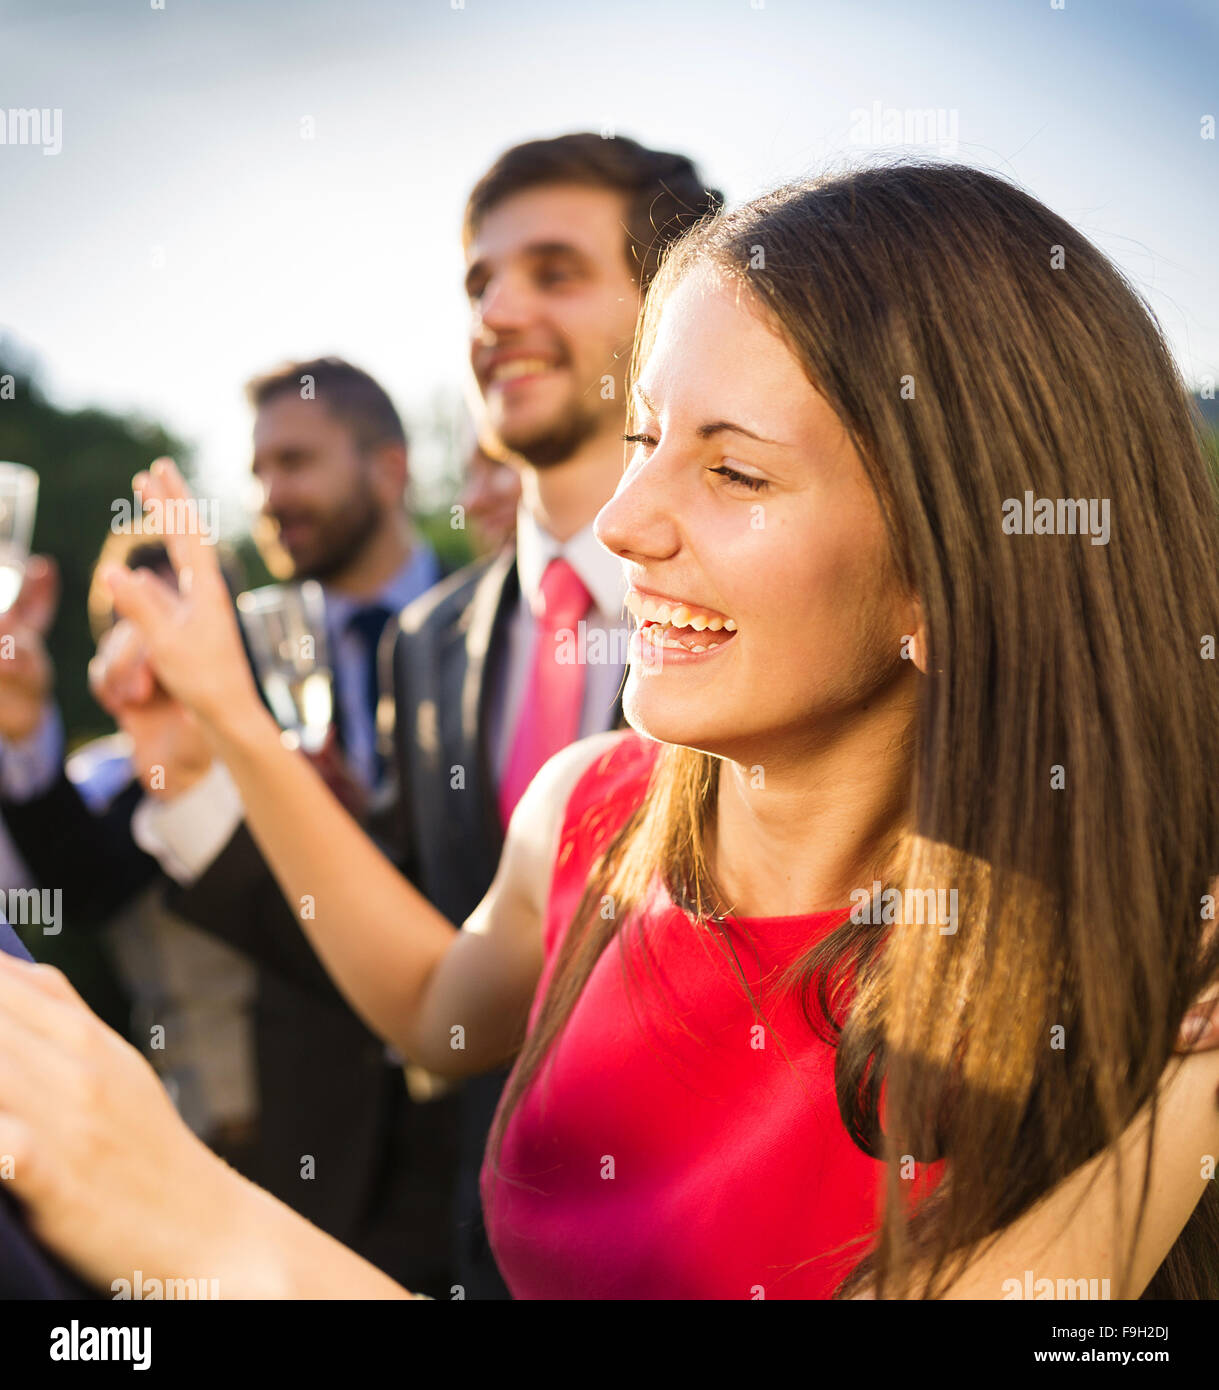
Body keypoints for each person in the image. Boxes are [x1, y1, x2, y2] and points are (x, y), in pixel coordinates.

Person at [4, 161, 1219, 1299]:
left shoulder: (1132, 985)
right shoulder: (592, 807)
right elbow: (435, 1003)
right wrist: (223, 703)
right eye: (644, 438)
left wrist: (202, 1231)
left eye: (734, 473)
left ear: (954, 577)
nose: (627, 519)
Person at [127, 133, 723, 1297]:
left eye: (553, 270)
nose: (497, 309)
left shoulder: (759, 616)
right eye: (479, 281)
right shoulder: (429, 642)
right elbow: (415, 969)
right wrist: (198, 758)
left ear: (674, 307)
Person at [0, 360, 462, 1296]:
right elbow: (88, 877)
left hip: (394, 1155)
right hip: (192, 1156)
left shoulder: (441, 640)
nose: (271, 494)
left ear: (388, 467)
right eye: (256, 473)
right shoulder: (131, 782)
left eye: (295, 461)